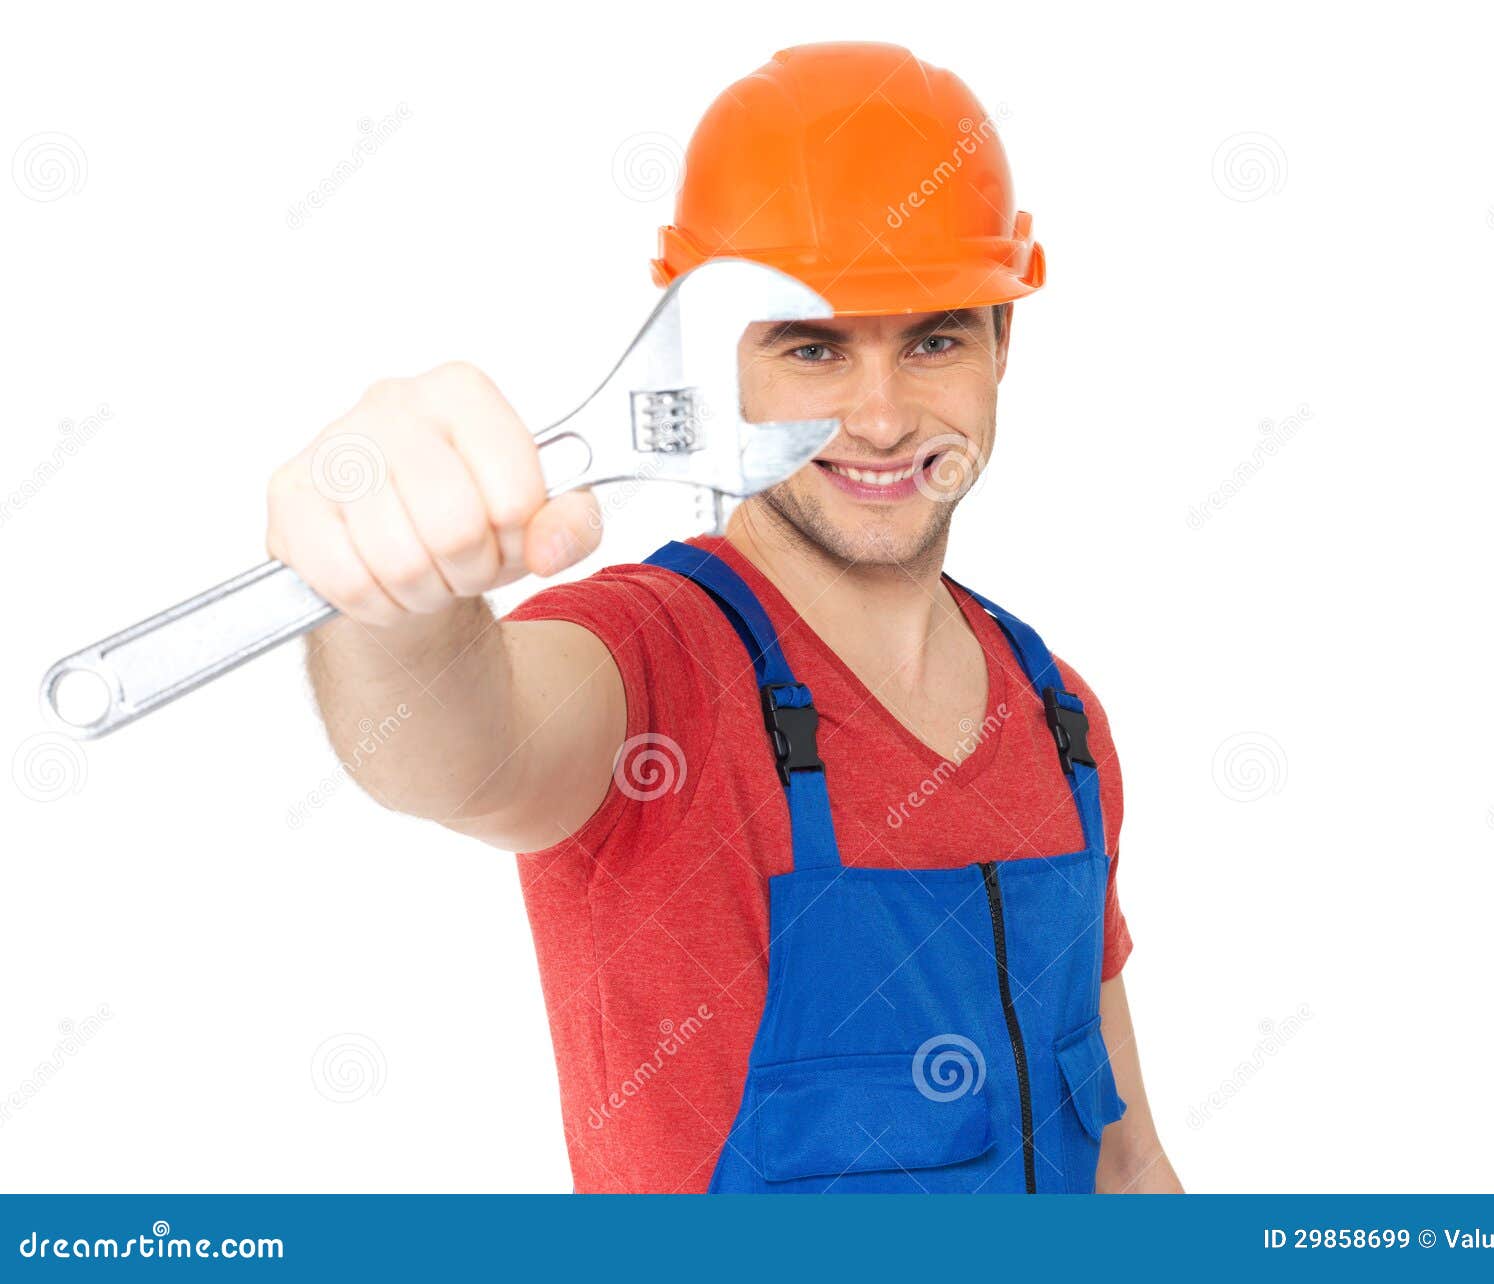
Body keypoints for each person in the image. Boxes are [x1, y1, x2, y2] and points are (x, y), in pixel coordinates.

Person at [267, 41, 1183, 1195]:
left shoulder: (1064, 724)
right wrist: (390, 609)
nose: (884, 416)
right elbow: (462, 750)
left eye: (934, 339)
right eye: (813, 348)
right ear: (717, 369)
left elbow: (1127, 1161)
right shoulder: (651, 666)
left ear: (1005, 345)